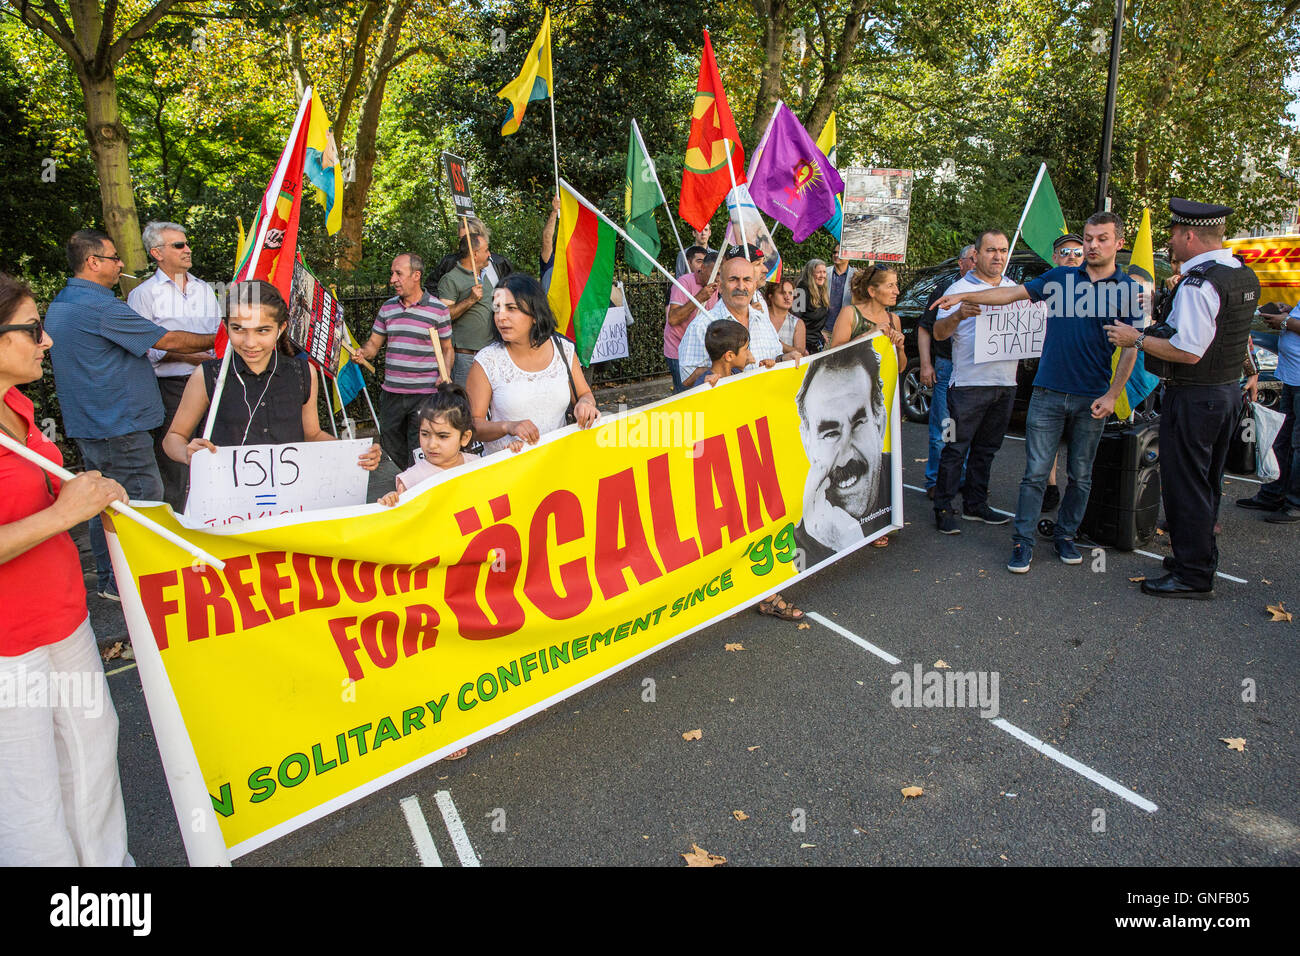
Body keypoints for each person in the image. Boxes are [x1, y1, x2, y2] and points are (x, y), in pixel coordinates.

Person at [0, 273, 134, 865]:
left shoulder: (17, 405)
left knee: (91, 754)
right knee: (28, 789)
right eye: (31, 329)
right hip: (10, 645)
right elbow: (53, 515)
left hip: (65, 621)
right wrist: (65, 515)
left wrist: (92, 493)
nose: (46, 341)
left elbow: (44, 493)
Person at [937, 213, 1142, 572]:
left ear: (1118, 244)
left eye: (1101, 239)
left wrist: (1112, 395)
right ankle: (1023, 542)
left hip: (1092, 397)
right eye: (1089, 238)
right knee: (1035, 473)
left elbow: (1130, 348)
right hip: (1047, 395)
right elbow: (1011, 293)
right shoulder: (1060, 277)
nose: (1093, 245)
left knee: (1081, 475)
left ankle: (1065, 535)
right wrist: (966, 295)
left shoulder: (1128, 292)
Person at [44, 228, 215, 601]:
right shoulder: (99, 305)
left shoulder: (64, 302)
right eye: (113, 258)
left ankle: (111, 579)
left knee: (101, 499)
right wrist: (225, 334)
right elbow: (165, 340)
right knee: (140, 499)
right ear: (93, 262)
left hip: (95, 422)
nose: (120, 264)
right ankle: (137, 581)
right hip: (118, 424)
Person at [1104, 199, 1261, 598]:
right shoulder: (1241, 274)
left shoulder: (1199, 284)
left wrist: (1136, 338)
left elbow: (1189, 350)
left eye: (1174, 234)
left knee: (1185, 485)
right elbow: (1232, 336)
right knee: (1207, 482)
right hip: (1224, 393)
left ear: (1190, 236)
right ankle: (1197, 558)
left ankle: (1192, 574)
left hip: (1195, 397)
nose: (1171, 241)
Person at [163, 281, 382, 473]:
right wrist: (186, 452)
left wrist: (353, 453)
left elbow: (312, 434)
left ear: (281, 328)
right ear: (225, 326)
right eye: (238, 329)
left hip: (289, 494)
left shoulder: (304, 373)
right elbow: (173, 437)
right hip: (228, 499)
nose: (250, 343)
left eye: (262, 331)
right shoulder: (208, 375)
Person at [928, 229, 1018, 533]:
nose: (998, 256)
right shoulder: (959, 288)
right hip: (967, 385)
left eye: (1003, 250)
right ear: (976, 255)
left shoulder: (1014, 288)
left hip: (1005, 384)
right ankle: (943, 507)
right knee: (954, 448)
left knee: (987, 450)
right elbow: (939, 333)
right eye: (991, 250)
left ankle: (976, 505)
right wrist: (958, 315)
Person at [126, 221, 221, 510]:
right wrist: (186, 354)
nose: (187, 249)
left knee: (214, 454)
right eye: (178, 245)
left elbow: (220, 336)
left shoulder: (205, 289)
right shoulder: (142, 295)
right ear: (157, 253)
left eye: (186, 242)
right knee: (176, 464)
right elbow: (145, 348)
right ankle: (179, 528)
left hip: (211, 381)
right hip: (172, 387)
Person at [467, 273, 600, 456]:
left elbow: (585, 394)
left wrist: (585, 405)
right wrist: (508, 426)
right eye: (497, 309)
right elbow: (473, 425)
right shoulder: (487, 361)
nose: (501, 317)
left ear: (535, 315)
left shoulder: (564, 350)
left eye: (511, 308)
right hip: (508, 474)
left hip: (558, 463)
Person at [793, 340, 892, 566]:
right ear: (806, 442)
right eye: (830, 433)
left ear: (880, 424)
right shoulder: (795, 548)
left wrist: (848, 541)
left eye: (858, 423)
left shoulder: (894, 485)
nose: (846, 454)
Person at [358, 253, 455, 469]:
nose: (392, 279)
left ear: (416, 276)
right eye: (392, 274)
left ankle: (414, 484)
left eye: (398, 274)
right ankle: (411, 474)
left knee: (418, 445)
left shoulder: (438, 310)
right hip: (392, 392)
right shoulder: (388, 308)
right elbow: (373, 346)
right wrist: (362, 354)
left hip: (425, 394)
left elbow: (448, 349)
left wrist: (444, 372)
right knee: (390, 442)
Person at [677, 250, 791, 388]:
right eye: (733, 279)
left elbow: (776, 356)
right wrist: (722, 372)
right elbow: (686, 378)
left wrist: (783, 359)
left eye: (747, 280)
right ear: (720, 286)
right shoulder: (701, 326)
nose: (741, 286)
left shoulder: (763, 320)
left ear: (754, 285)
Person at [918, 243, 976, 497]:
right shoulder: (945, 289)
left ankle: (959, 478)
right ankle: (935, 480)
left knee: (964, 428)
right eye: (972, 259)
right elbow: (924, 327)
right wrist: (926, 364)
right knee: (944, 426)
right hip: (946, 365)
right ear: (961, 263)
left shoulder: (988, 291)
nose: (976, 263)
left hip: (973, 370)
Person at [1037, 232, 1088, 511]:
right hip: (1048, 373)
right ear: (1055, 257)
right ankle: (1050, 485)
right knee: (1049, 438)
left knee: (1080, 447)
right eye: (1065, 252)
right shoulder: (1042, 284)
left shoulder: (1094, 287)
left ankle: (1076, 502)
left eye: (1077, 252)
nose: (1071, 257)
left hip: (1084, 378)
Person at [1238, 301, 1300, 521]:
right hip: (1291, 375)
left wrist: (1287, 321)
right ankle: (1273, 494)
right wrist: (1288, 312)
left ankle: (1295, 503)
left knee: (1297, 444)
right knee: (1282, 439)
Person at [438, 231, 497, 387]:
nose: (489, 254)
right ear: (475, 254)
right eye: (486, 250)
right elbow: (443, 317)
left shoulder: (484, 275)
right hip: (466, 357)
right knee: (466, 405)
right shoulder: (450, 279)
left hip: (488, 353)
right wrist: (470, 300)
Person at [829, 264, 907, 368]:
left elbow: (900, 369)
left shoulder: (894, 319)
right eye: (890, 286)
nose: (897, 291)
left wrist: (900, 348)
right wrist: (868, 335)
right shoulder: (850, 313)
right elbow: (833, 357)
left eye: (896, 285)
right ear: (872, 291)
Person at [664, 250, 719, 392]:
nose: (719, 278)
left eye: (721, 273)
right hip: (679, 350)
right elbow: (673, 318)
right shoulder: (683, 282)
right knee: (684, 394)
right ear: (703, 268)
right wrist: (699, 297)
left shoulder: (715, 286)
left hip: (700, 352)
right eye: (716, 273)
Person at [429, 216, 514, 291]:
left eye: (468, 238)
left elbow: (512, 291)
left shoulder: (500, 263)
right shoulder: (449, 263)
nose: (464, 242)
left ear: (481, 237)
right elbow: (431, 287)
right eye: (461, 238)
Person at [701, 318, 755, 387]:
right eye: (746, 349)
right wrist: (706, 389)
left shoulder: (737, 373)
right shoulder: (704, 385)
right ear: (729, 356)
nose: (749, 353)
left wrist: (765, 370)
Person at [794, 259, 831, 351]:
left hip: (816, 342)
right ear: (810, 273)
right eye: (818, 272)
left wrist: (819, 334)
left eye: (824, 272)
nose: (822, 275)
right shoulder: (801, 291)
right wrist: (801, 348)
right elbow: (794, 320)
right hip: (804, 345)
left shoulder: (821, 290)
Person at [764, 277, 806, 356]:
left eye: (790, 293)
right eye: (782, 293)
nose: (787, 297)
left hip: (785, 367)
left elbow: (800, 352)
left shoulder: (797, 323)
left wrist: (778, 344)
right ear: (771, 296)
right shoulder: (760, 317)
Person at [827, 253, 857, 326]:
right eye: (834, 252)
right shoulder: (824, 272)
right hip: (823, 327)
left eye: (840, 253)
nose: (836, 255)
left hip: (845, 326)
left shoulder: (856, 275)